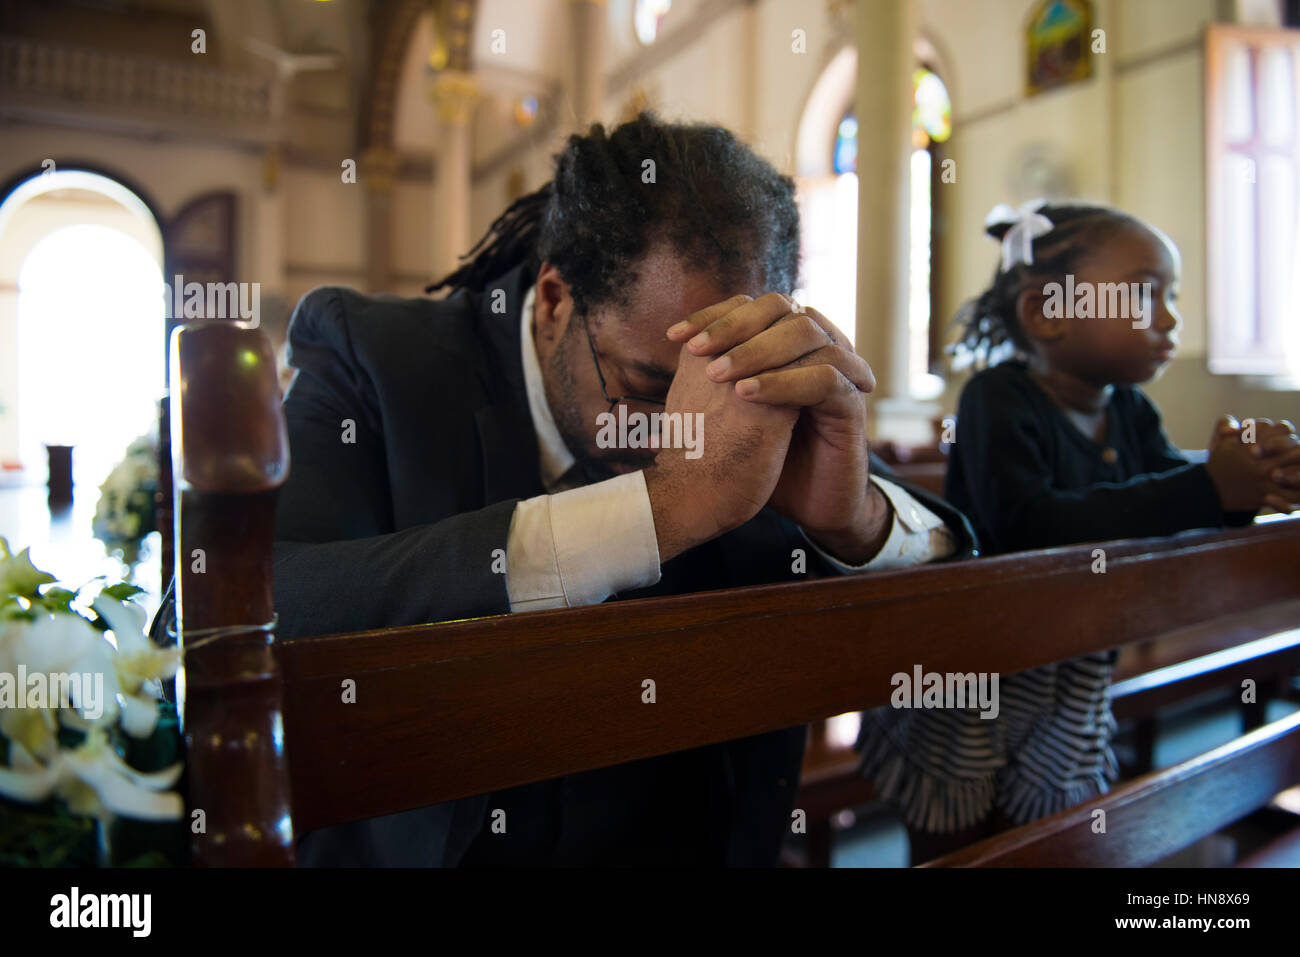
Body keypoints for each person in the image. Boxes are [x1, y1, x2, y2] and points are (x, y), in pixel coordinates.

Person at [151, 112, 977, 866]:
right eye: (651, 386)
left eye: (713, 395)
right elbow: (232, 605)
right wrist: (661, 510)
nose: (680, 429)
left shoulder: (752, 408)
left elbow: (962, 597)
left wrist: (855, 518)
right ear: (553, 300)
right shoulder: (378, 360)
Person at [858, 200, 1300, 862]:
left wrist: (1252, 484)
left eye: (1170, 295)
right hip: (975, 666)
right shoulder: (996, 400)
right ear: (1048, 311)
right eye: (1146, 293)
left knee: (1048, 838)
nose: (1170, 316)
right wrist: (1209, 487)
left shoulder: (1132, 410)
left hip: (1074, 666)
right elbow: (1031, 524)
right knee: (955, 837)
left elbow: (1177, 494)